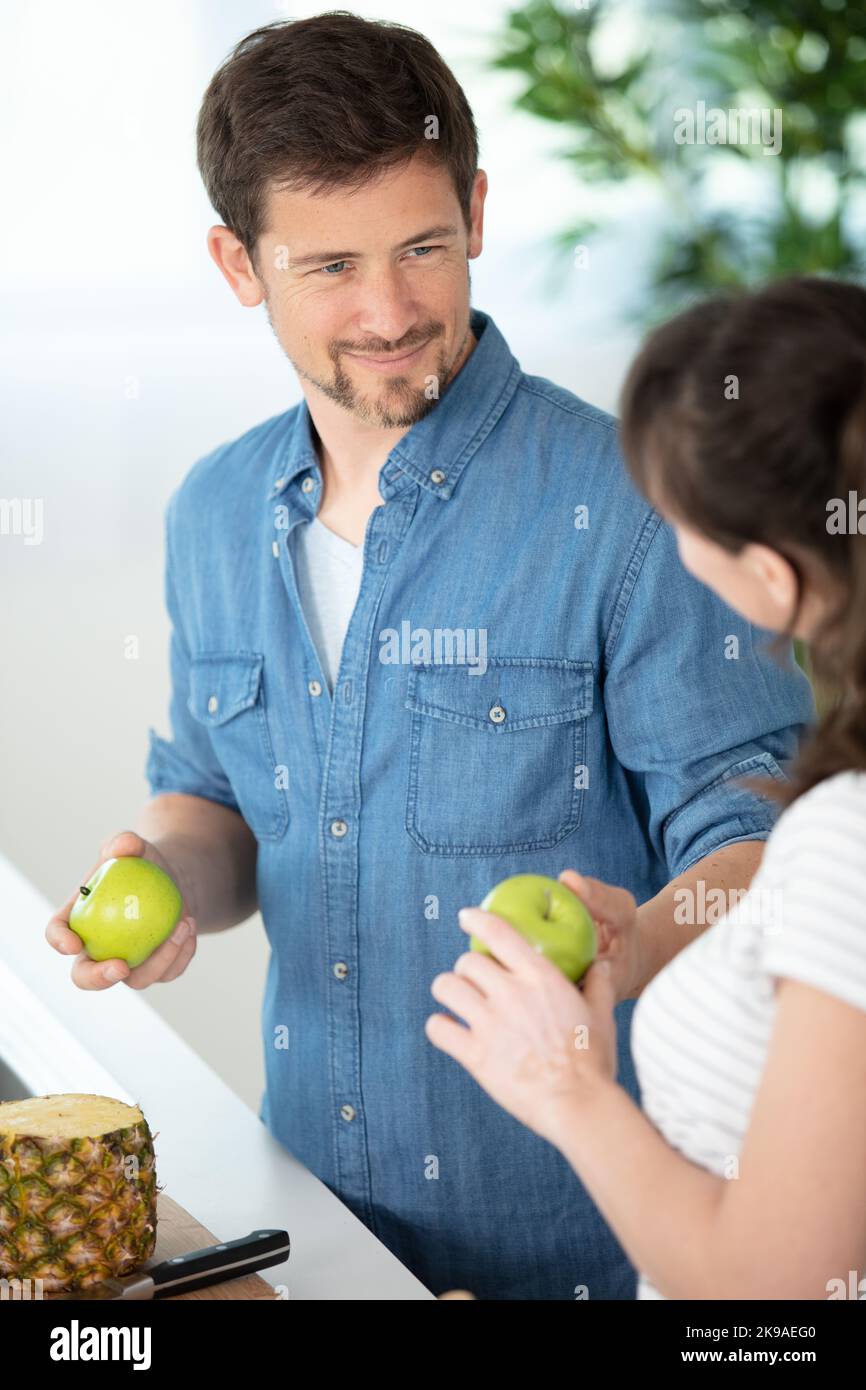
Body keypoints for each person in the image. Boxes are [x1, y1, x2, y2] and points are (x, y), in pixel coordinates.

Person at [45, 14, 813, 1299]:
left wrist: (637, 935)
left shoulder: (628, 498)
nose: (391, 310)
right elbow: (219, 803)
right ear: (240, 263)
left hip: (586, 1254)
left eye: (421, 247)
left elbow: (765, 842)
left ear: (476, 208)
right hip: (316, 1231)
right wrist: (169, 877)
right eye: (332, 266)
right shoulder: (213, 511)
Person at [429, 275, 866, 1299]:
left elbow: (774, 1295)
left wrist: (563, 1087)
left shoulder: (844, 832)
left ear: (769, 577)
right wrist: (663, 928)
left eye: (672, 517)